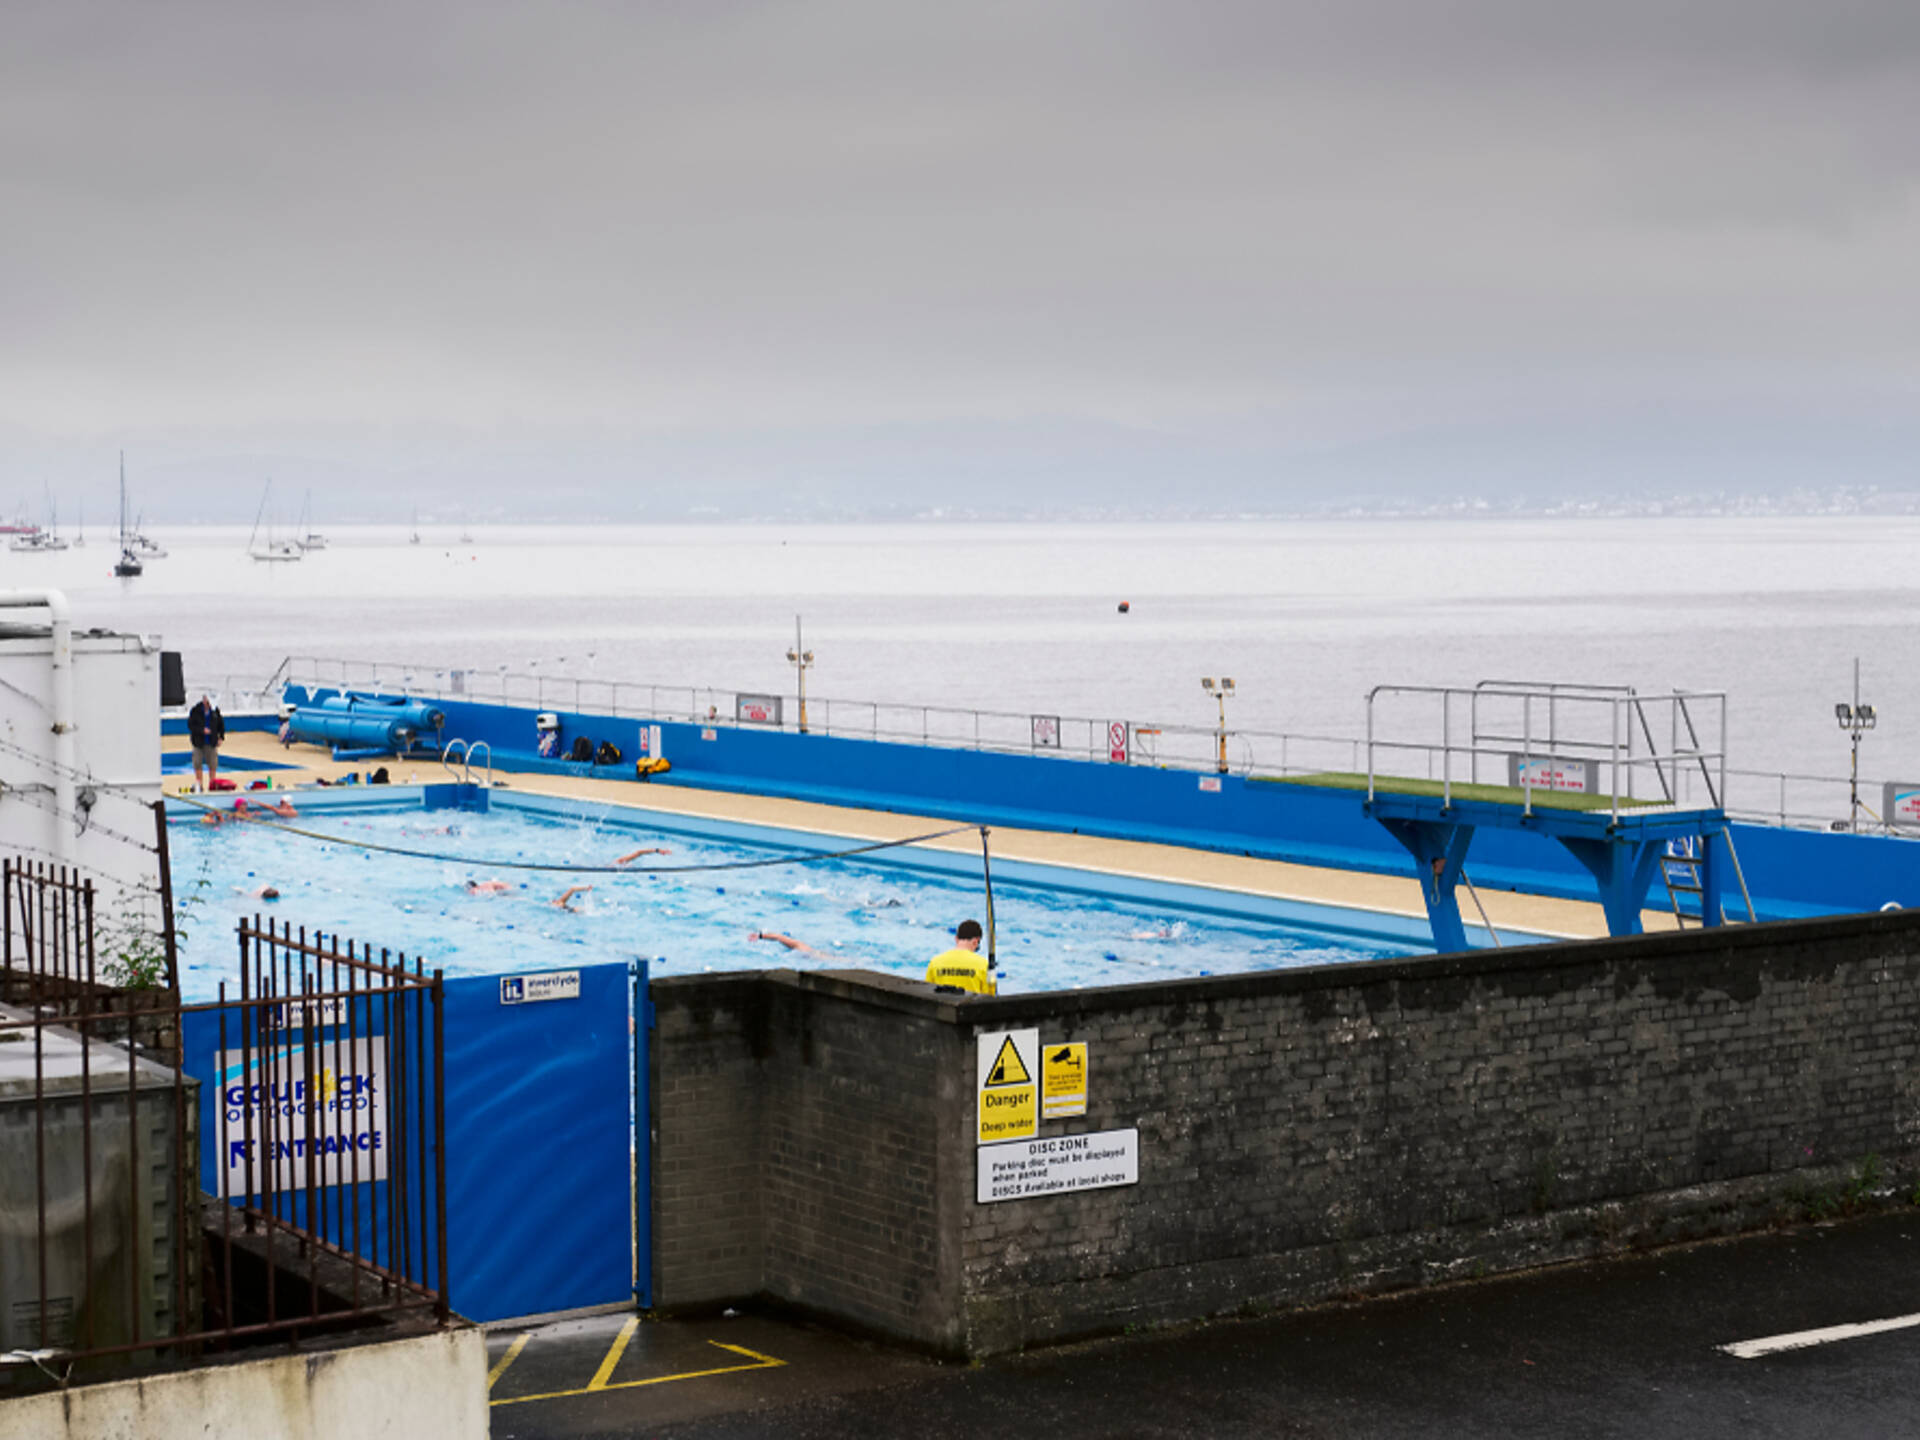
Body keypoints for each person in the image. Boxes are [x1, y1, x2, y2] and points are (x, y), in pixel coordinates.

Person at [925, 919, 996, 995]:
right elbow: (989, 997)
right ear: (976, 942)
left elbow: (927, 992)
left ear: (956, 939)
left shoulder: (935, 962)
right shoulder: (983, 964)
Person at [188, 693, 225, 792]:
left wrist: (221, 737)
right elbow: (191, 725)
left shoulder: (215, 711)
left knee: (213, 764)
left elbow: (221, 725)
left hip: (211, 742)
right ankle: (199, 784)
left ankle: (212, 784)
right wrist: (201, 730)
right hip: (198, 742)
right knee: (197, 763)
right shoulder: (195, 710)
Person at [748, 930, 821, 957]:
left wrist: (760, 936)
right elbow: (779, 937)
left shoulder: (805, 948)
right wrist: (760, 936)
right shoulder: (805, 949)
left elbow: (779, 937)